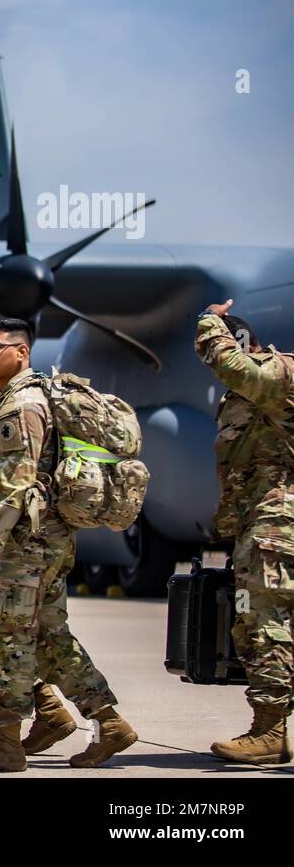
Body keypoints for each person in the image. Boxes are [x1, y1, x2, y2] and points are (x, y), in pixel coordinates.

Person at [0, 317, 136, 772]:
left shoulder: (21, 406)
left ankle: (8, 743)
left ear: (22, 352)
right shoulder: (25, 399)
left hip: (24, 542)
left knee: (9, 640)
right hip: (47, 539)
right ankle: (108, 721)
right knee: (52, 639)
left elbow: (15, 484)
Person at [197, 299, 294, 765]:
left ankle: (270, 731)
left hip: (280, 525)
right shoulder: (241, 399)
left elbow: (234, 366)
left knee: (264, 623)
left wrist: (207, 320)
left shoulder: (279, 375)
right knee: (257, 621)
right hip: (260, 523)